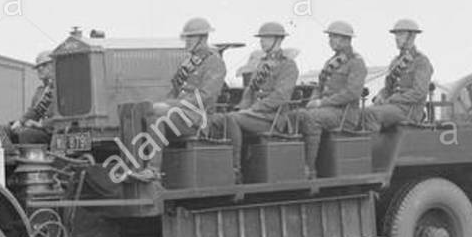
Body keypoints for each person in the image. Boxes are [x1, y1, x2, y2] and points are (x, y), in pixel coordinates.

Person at [129, 17, 226, 182]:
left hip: (197, 118)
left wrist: (170, 105)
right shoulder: (188, 63)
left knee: (158, 115)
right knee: (143, 110)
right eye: (186, 37)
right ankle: (135, 166)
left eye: (190, 37)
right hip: (181, 114)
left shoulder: (214, 62)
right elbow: (174, 91)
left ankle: (153, 170)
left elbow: (206, 97)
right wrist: (164, 103)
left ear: (203, 38)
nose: (186, 41)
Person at [218, 22, 299, 179]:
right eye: (261, 38)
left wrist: (254, 109)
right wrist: (242, 107)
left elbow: (281, 96)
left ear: (278, 40)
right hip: (257, 115)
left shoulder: (288, 65)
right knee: (227, 117)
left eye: (266, 38)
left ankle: (235, 170)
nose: (262, 41)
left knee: (231, 119)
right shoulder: (262, 64)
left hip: (273, 118)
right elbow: (250, 91)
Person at [294, 21, 367, 179]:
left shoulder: (356, 62)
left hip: (345, 114)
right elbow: (320, 87)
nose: (331, 40)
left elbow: (352, 93)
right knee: (297, 114)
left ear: (347, 40)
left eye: (335, 36)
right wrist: (312, 101)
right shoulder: (332, 62)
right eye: (330, 36)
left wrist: (321, 103)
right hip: (328, 111)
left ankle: (309, 169)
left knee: (311, 118)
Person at [363, 18, 433, 129]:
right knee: (361, 113)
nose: (396, 38)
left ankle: (376, 146)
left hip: (409, 111)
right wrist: (381, 95)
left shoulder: (421, 62)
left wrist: (392, 99)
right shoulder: (396, 62)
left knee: (370, 114)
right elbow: (388, 88)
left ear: (411, 36)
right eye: (396, 35)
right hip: (393, 107)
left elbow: (419, 93)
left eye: (400, 34)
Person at [11, 50, 55, 145]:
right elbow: (34, 112)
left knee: (27, 135)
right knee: (8, 130)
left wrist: (41, 125)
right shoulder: (40, 91)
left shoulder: (63, 89)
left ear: (54, 65)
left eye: (44, 65)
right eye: (38, 66)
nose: (40, 69)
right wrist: (20, 122)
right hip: (44, 131)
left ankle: (27, 159)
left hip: (56, 133)